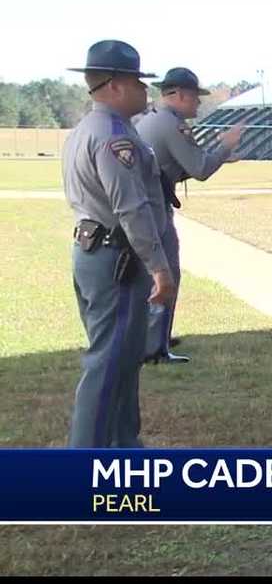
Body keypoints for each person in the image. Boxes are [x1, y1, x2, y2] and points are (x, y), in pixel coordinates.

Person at [62, 39, 176, 448]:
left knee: (123, 361)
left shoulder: (87, 129)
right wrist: (160, 267)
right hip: (118, 259)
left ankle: (125, 448)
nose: (145, 91)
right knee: (108, 364)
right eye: (137, 82)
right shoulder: (114, 137)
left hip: (97, 252)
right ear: (114, 86)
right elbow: (132, 208)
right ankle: (86, 463)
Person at [136, 67, 243, 364]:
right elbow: (200, 169)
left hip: (150, 205)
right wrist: (226, 145)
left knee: (158, 274)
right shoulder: (173, 126)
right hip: (155, 209)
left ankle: (155, 338)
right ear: (181, 95)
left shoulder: (155, 121)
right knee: (166, 273)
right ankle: (155, 348)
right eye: (195, 97)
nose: (198, 103)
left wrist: (218, 157)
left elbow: (179, 167)